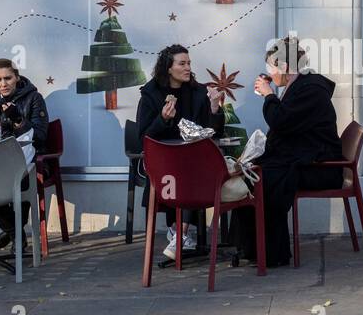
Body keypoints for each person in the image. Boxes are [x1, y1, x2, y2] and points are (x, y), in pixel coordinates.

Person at [233, 36, 342, 267]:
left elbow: (280, 121)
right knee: (251, 172)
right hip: (306, 159)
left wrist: (268, 95)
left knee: (264, 179)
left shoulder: (310, 88)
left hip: (321, 168)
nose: (270, 75)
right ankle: (253, 248)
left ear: (284, 67)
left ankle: (271, 253)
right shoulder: (300, 86)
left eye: (271, 68)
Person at [135, 44, 225, 259]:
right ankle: (179, 233)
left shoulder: (198, 92)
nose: (187, 68)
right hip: (164, 162)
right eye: (182, 64)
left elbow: (213, 132)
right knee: (186, 171)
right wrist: (162, 119)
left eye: (189, 63)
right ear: (168, 68)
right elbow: (143, 138)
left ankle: (179, 233)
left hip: (192, 160)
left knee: (191, 168)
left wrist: (214, 107)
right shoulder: (151, 95)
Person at [0, 58, 49, 249]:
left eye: (7, 78)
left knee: (18, 179)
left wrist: (18, 120)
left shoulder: (34, 98)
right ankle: (15, 232)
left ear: (16, 77)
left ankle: (12, 232)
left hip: (28, 160)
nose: (3, 84)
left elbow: (40, 136)